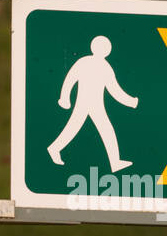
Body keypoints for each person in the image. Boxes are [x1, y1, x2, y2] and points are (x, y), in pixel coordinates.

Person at [47, 35, 139, 172]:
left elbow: (114, 89)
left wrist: (130, 101)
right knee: (84, 129)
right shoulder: (93, 64)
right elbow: (71, 79)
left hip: (94, 105)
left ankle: (115, 162)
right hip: (86, 103)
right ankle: (54, 148)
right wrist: (64, 97)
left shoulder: (94, 64)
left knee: (92, 129)